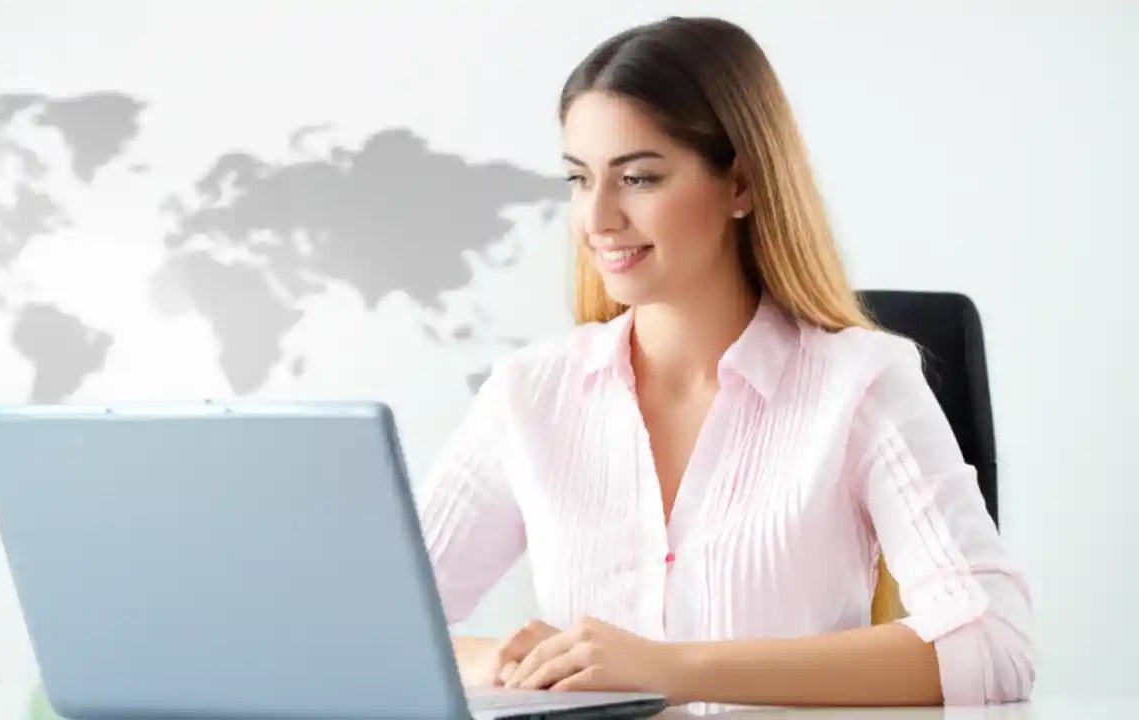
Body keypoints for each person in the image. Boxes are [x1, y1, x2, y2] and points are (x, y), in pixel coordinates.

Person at [414, 16, 1033, 708]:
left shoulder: (861, 382)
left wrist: (672, 669)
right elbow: (364, 627)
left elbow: (994, 646)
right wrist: (494, 659)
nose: (597, 219)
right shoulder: (528, 394)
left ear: (740, 183)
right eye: (578, 179)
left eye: (639, 178)